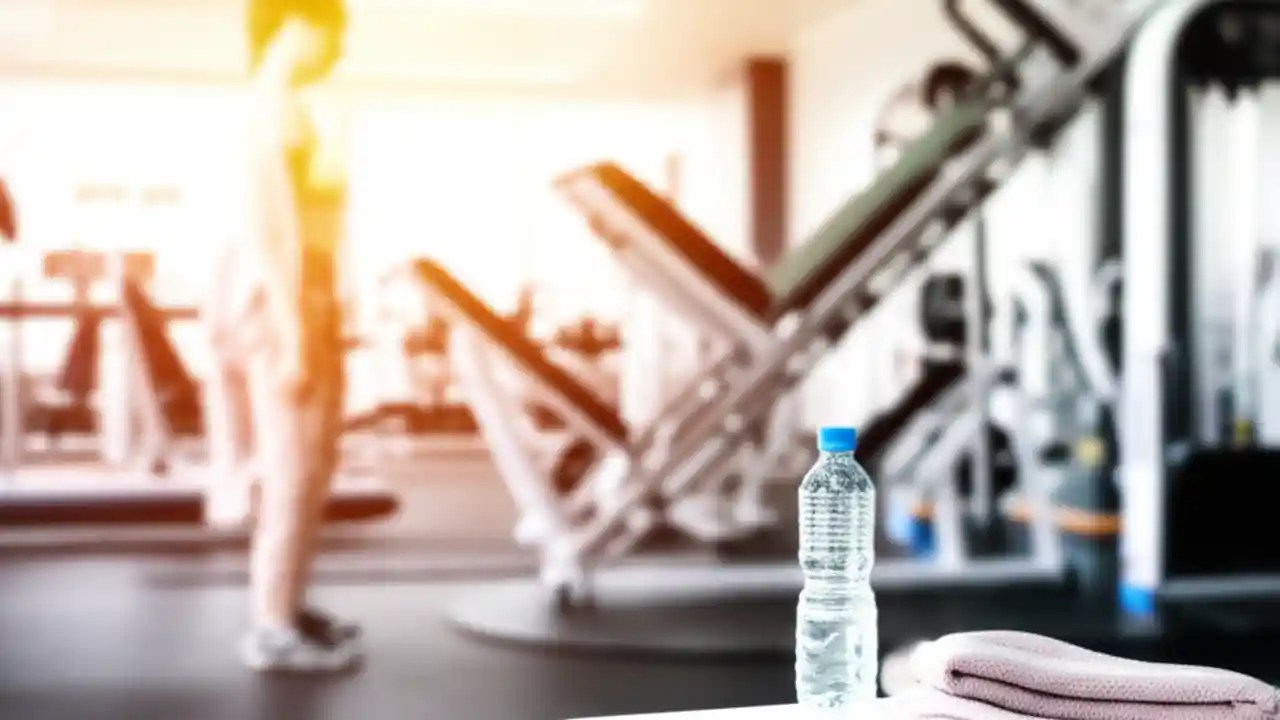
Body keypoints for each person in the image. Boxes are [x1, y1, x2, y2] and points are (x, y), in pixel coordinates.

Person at [202, 0, 359, 672]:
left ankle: (288, 604)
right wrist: (295, 333)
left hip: (291, 293)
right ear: (296, 23)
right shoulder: (274, 109)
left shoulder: (288, 106)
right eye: (327, 30)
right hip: (281, 297)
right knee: (295, 470)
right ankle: (271, 627)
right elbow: (272, 233)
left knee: (311, 465)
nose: (333, 46)